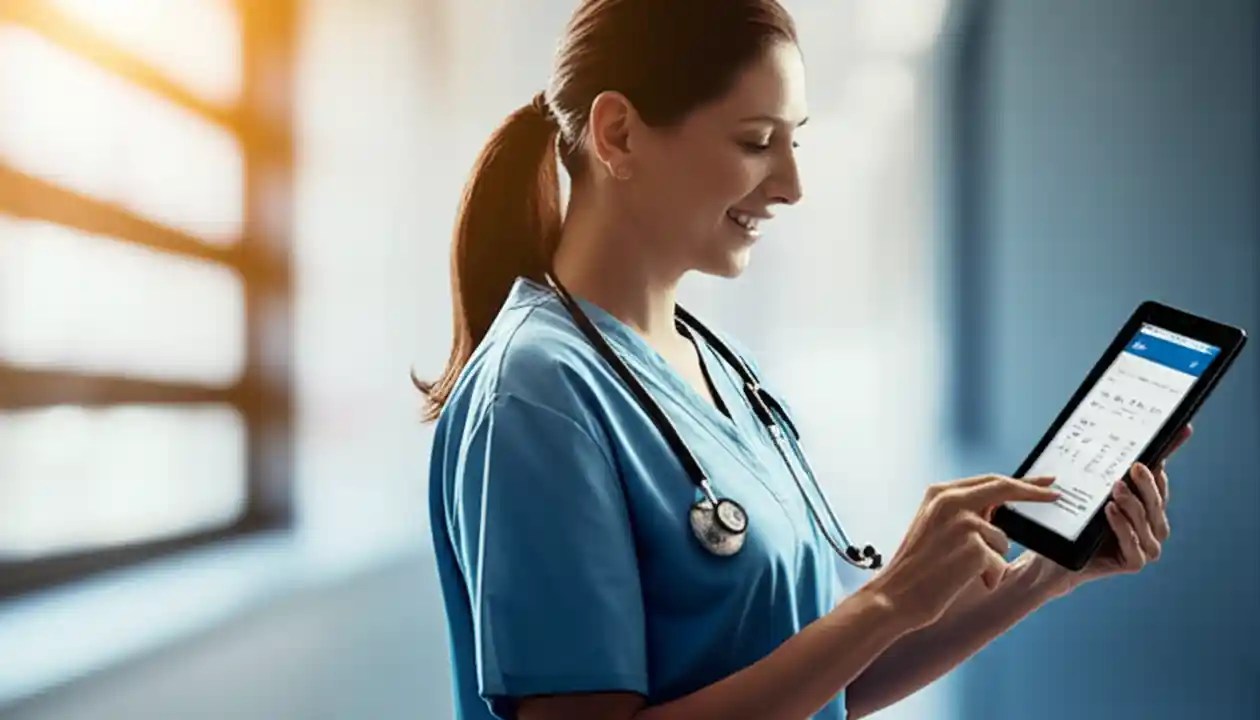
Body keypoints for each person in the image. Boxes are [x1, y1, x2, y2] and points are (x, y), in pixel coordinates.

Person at [419, 1, 1192, 718]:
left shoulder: (723, 367)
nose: (791, 185)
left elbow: (830, 687)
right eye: (757, 142)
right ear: (618, 133)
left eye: (796, 141)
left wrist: (1041, 578)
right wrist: (886, 600)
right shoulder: (538, 397)